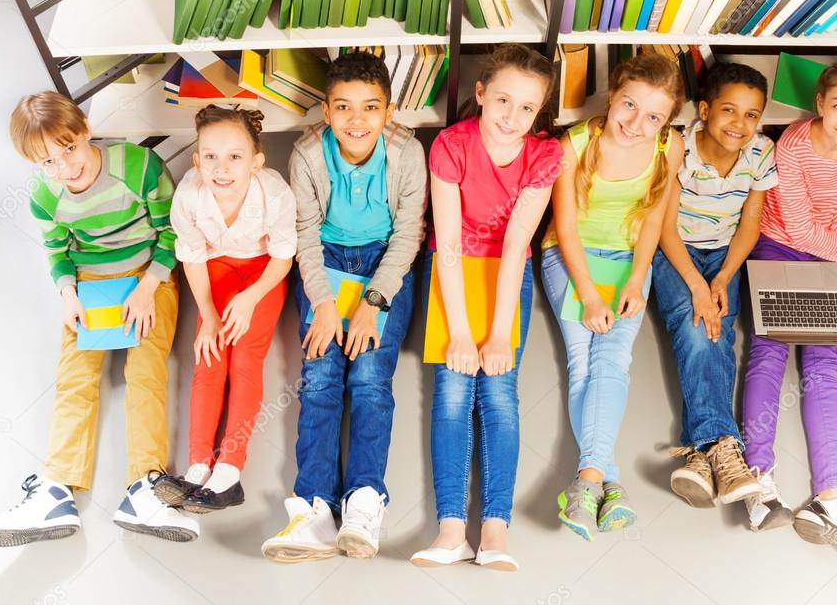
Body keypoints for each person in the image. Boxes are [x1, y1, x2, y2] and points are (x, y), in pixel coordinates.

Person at [0, 91, 197, 546]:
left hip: (147, 273)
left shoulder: (139, 167)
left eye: (69, 149)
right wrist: (68, 293)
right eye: (48, 162)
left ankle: (145, 485)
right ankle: (55, 489)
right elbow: (57, 250)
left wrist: (149, 288)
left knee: (147, 371)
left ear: (86, 131)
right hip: (90, 280)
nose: (65, 168)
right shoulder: (44, 197)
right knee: (75, 375)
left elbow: (172, 232)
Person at [261, 51, 427, 562]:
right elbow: (304, 235)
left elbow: (407, 235)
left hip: (383, 262)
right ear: (326, 113)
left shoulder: (406, 152)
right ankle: (314, 508)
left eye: (370, 108)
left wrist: (373, 303)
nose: (357, 121)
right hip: (326, 261)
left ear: (389, 113)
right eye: (344, 108)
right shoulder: (308, 154)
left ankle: (363, 499)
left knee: (371, 379)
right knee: (320, 378)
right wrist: (325, 305)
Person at [410, 44, 563, 571]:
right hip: (452, 269)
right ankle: (451, 526)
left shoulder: (544, 155)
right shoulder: (451, 147)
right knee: (452, 392)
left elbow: (518, 243)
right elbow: (447, 242)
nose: (512, 118)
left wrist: (499, 334)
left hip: (505, 273)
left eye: (527, 108)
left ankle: (495, 528)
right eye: (502, 100)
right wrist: (458, 333)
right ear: (480, 93)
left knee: (499, 394)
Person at [741, 57, 837, 560]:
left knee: (826, 362)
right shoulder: (791, 148)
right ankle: (757, 483)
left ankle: (832, 498)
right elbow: (802, 230)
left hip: (826, 247)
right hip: (781, 245)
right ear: (819, 105)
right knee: (769, 353)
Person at [541, 53, 685, 541]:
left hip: (628, 261)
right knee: (582, 359)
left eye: (653, 116)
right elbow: (564, 229)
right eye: (629, 105)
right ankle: (607, 479)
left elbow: (651, 219)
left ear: (666, 123)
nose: (636, 123)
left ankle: (589, 481)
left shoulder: (670, 146)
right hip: (571, 258)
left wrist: (635, 278)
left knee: (613, 359)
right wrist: (588, 294)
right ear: (612, 96)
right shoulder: (576, 143)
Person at [152, 106, 295, 516]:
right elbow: (194, 259)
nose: (222, 167)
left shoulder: (275, 194)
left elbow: (283, 257)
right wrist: (210, 316)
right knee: (209, 359)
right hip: (215, 269)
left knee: (245, 360)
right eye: (210, 156)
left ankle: (229, 470)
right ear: (196, 160)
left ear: (256, 162)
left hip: (262, 271)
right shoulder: (189, 195)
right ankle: (198, 465)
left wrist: (250, 298)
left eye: (235, 156)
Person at [654, 62, 776, 512]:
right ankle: (724, 446)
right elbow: (664, 229)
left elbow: (750, 225)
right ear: (705, 110)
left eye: (751, 114)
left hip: (725, 255)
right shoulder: (679, 150)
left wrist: (722, 278)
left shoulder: (761, 154)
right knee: (694, 324)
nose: (739, 124)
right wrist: (698, 287)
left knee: (719, 331)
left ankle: (702, 458)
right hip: (676, 251)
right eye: (729, 111)